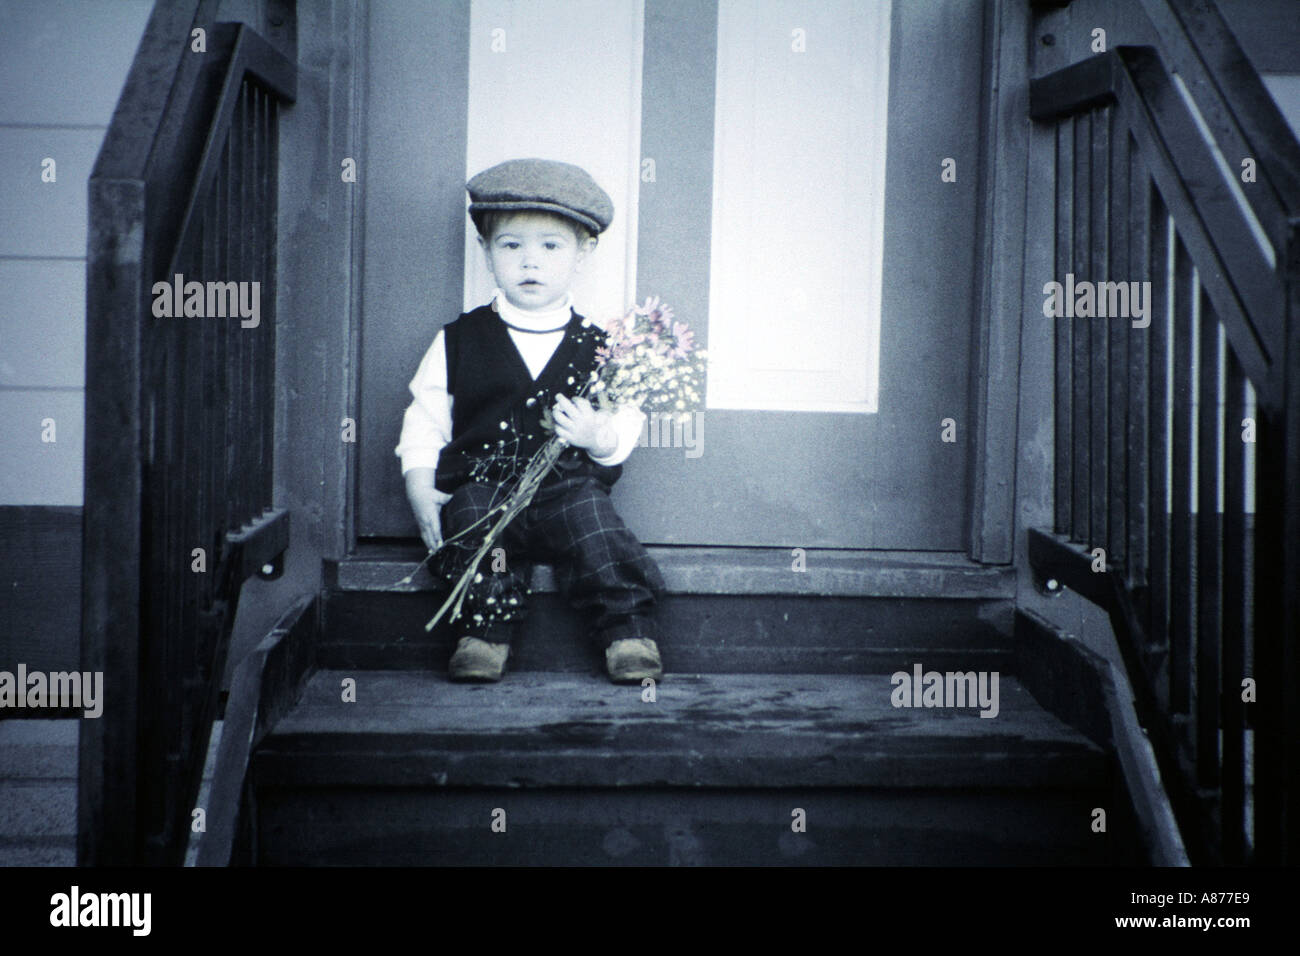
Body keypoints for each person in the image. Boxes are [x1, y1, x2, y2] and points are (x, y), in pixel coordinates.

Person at [395, 158, 665, 684]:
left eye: (551, 245)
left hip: (566, 489)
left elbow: (625, 420)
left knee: (599, 529)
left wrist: (597, 436)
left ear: (583, 251)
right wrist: (419, 486)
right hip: (488, 485)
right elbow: (425, 420)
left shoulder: (602, 347)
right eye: (511, 245)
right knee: (473, 521)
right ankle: (484, 632)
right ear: (486, 252)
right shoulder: (459, 339)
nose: (530, 262)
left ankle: (626, 629)